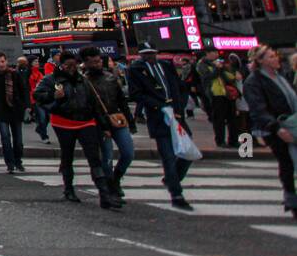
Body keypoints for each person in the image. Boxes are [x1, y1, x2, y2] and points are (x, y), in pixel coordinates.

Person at [34, 51, 123, 208]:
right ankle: (69, 189)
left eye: (74, 65)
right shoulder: (51, 79)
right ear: (61, 65)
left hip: (86, 121)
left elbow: (94, 103)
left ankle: (104, 194)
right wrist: (54, 97)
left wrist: (103, 126)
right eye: (68, 66)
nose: (71, 69)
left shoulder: (83, 80)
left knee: (94, 157)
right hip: (63, 122)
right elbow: (38, 95)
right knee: (67, 156)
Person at [127, 43, 194, 210]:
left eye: (152, 53)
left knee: (188, 150)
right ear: (141, 55)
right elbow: (136, 93)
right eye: (146, 54)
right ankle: (176, 193)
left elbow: (177, 87)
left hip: (176, 114)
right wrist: (158, 106)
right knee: (168, 156)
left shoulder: (165, 65)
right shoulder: (136, 70)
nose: (149, 56)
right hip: (158, 115)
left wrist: (178, 109)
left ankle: (173, 178)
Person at [242, 45, 297, 219]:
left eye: (276, 55)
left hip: (293, 123)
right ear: (261, 61)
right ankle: (291, 199)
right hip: (277, 128)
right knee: (287, 162)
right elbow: (258, 109)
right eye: (272, 56)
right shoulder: (254, 81)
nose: (276, 59)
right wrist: (276, 127)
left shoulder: (281, 77)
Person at [82, 46, 136, 199]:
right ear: (86, 63)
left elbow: (122, 101)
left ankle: (116, 178)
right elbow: (89, 107)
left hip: (117, 119)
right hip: (99, 124)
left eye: (98, 61)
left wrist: (130, 122)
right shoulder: (84, 81)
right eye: (93, 62)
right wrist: (101, 126)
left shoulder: (110, 77)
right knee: (106, 157)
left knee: (128, 153)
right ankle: (111, 186)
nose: (97, 64)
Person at [0, 51, 28, 173]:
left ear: (6, 61)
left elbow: (24, 90)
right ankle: (10, 163)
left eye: (2, 61)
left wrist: (26, 106)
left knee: (18, 140)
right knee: (5, 138)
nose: (0, 64)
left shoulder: (14, 74)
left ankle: (18, 160)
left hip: (15, 110)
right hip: (1, 110)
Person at [197, 49, 239, 148]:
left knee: (232, 118)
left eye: (216, 53)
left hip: (227, 93)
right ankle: (220, 140)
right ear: (207, 53)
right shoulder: (202, 64)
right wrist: (217, 68)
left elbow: (229, 76)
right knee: (218, 119)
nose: (216, 54)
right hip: (215, 93)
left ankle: (233, 140)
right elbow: (208, 76)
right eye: (214, 52)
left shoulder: (220, 62)